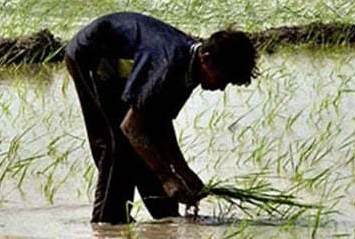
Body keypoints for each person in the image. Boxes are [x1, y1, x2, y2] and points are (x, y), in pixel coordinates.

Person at [65, 12, 258, 224]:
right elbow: (131, 127)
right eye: (223, 78)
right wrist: (167, 177)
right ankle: (108, 223)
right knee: (117, 145)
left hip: (121, 66)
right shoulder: (170, 64)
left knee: (147, 138)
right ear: (207, 59)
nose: (221, 87)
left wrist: (183, 171)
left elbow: (161, 121)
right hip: (92, 57)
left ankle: (165, 217)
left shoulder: (192, 68)